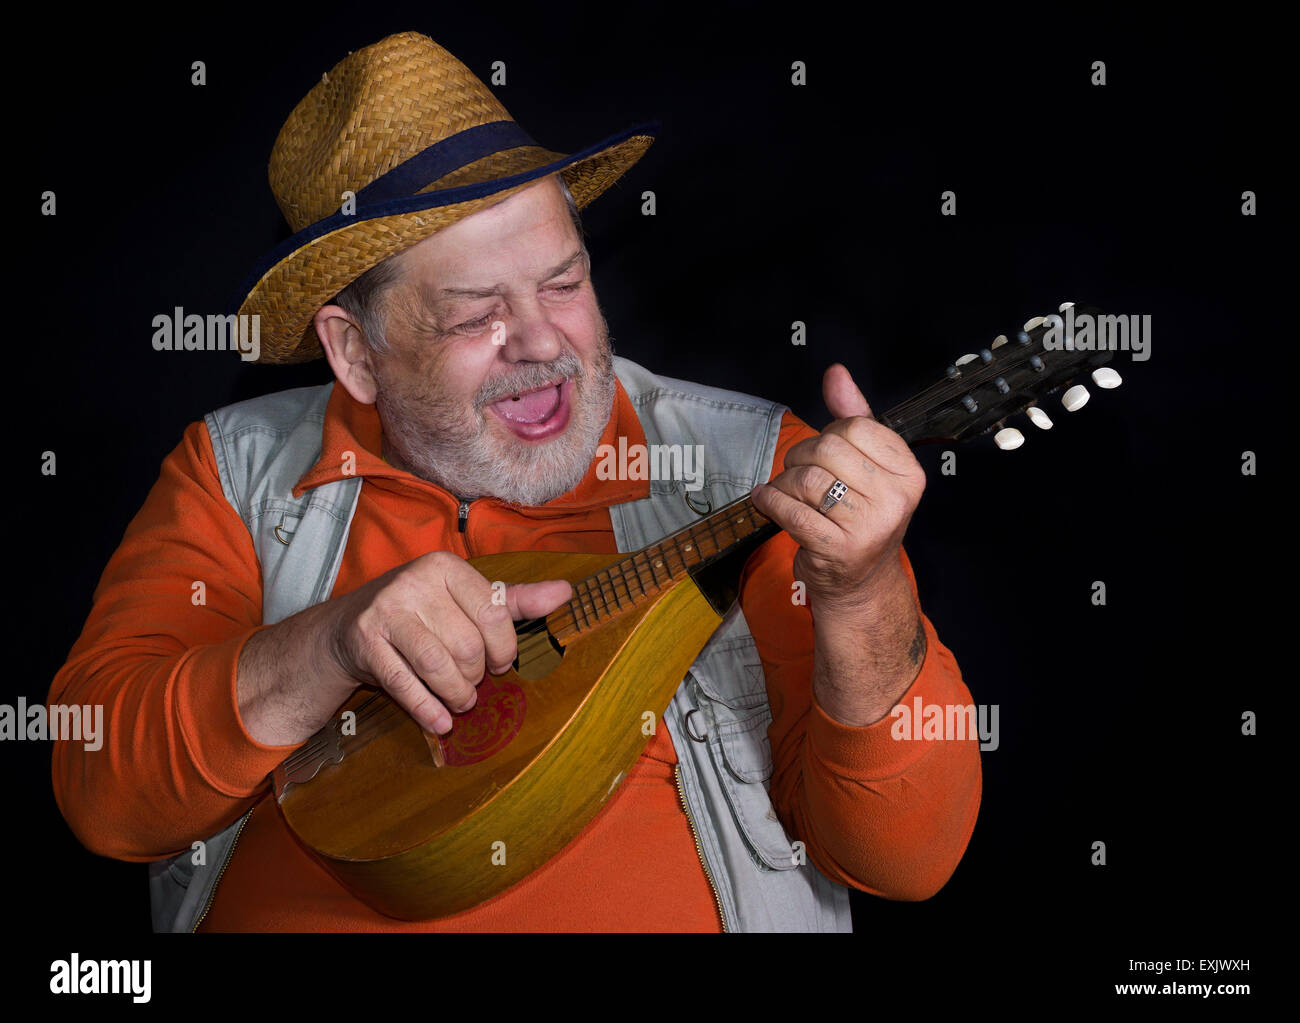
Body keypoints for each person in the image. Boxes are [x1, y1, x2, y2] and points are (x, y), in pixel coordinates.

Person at [49, 31, 981, 932]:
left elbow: (908, 858)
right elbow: (103, 792)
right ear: (354, 353)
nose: (543, 343)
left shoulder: (751, 466)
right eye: (474, 315)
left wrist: (864, 596)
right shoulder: (235, 473)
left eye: (563, 282)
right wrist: (332, 643)